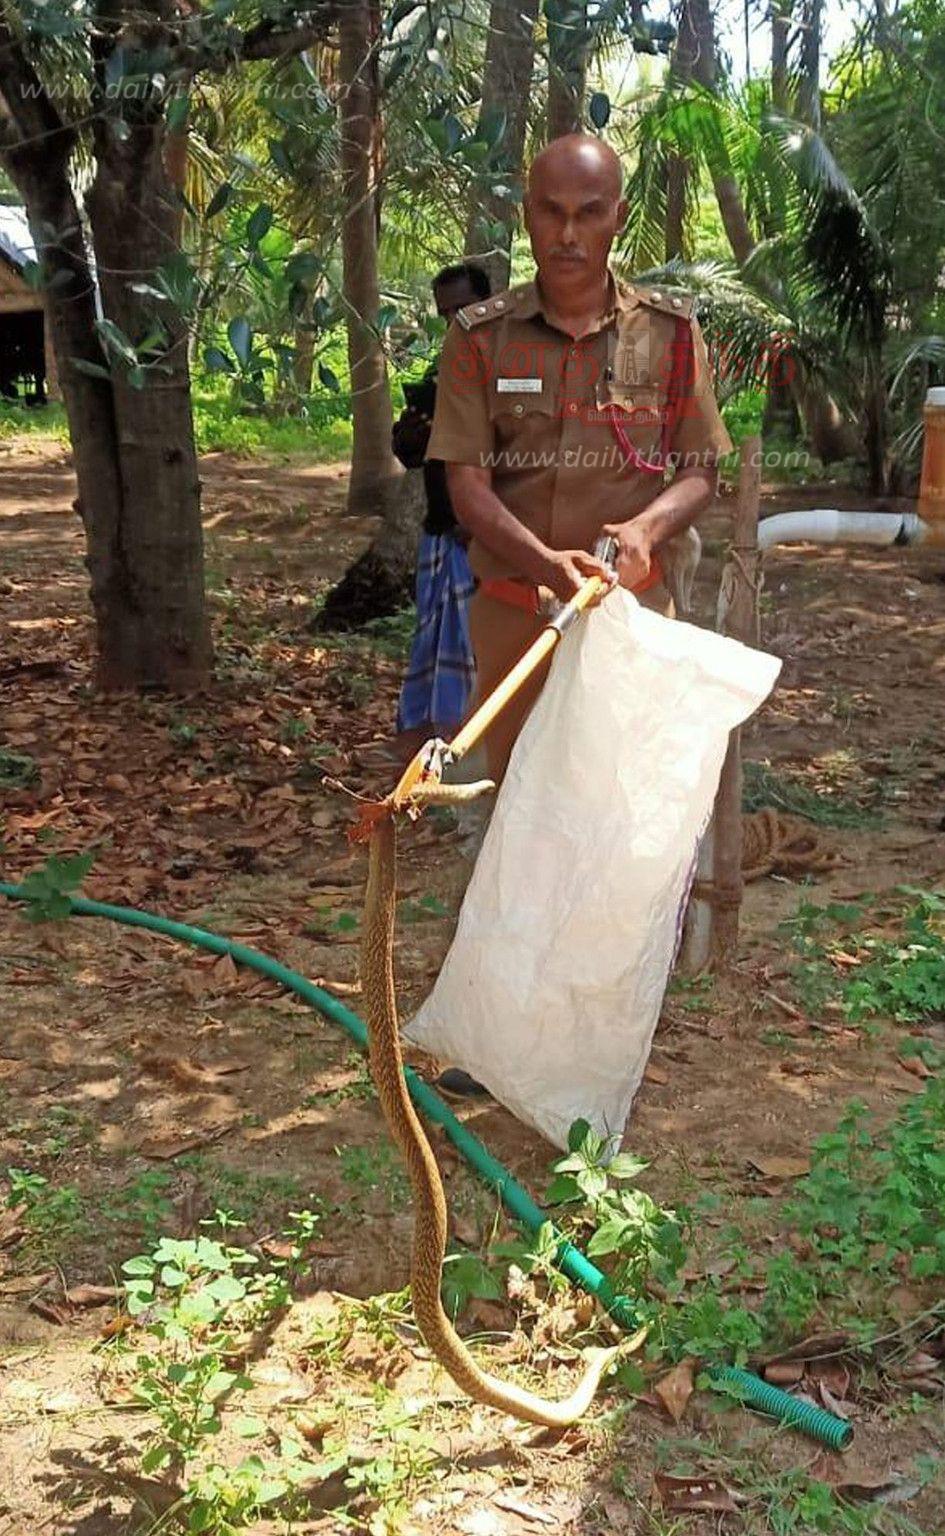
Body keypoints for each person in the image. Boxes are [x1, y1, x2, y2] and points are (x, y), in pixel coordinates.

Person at [427, 133, 733, 786]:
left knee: (626, 810)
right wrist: (544, 564)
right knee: (516, 811)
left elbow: (700, 469)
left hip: (632, 620)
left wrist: (644, 532)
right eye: (550, 211)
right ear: (527, 214)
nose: (567, 233)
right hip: (515, 621)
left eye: (588, 212)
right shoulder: (479, 338)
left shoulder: (670, 333)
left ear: (616, 219)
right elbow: (466, 484)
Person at [393, 262, 492, 756]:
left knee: (473, 646)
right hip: (441, 533)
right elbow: (411, 449)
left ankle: (463, 745)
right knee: (434, 642)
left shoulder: (507, 369)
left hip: (480, 537)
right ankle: (426, 741)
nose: (454, 320)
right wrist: (410, 436)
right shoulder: (440, 371)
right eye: (445, 313)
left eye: (463, 309)